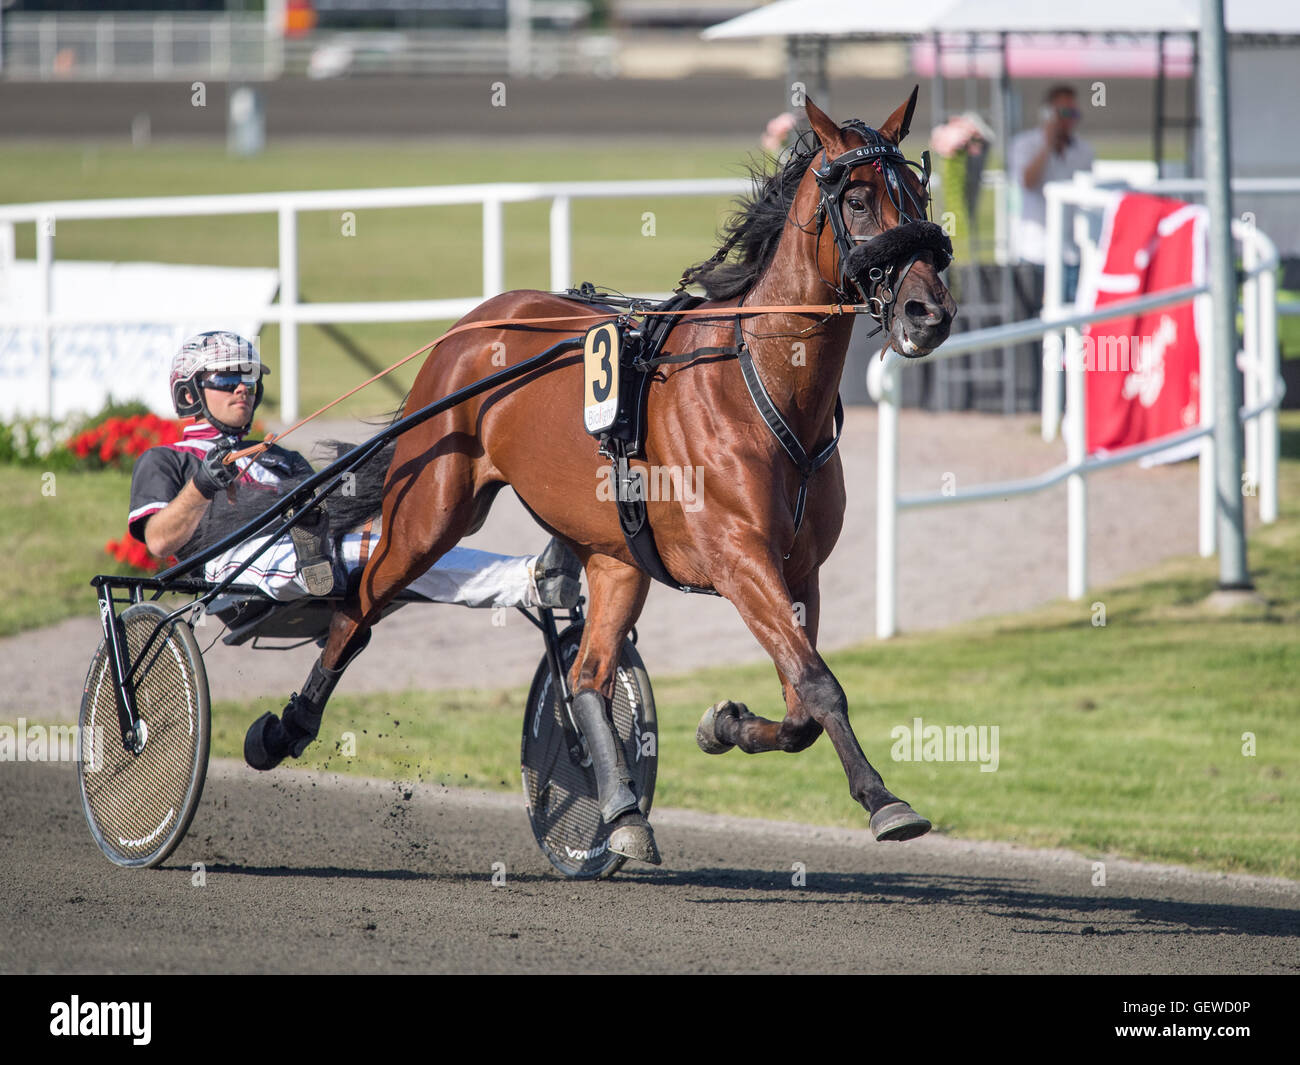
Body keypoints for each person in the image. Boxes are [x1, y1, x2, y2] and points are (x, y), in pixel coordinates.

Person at [128, 331, 583, 767]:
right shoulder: (167, 460)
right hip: (231, 568)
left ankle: (531, 579)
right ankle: (310, 562)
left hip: (321, 548)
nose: (242, 389)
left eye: (249, 378)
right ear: (190, 393)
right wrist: (203, 484)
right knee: (289, 549)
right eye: (227, 379)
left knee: (405, 556)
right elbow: (159, 540)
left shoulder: (280, 456)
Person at [1008, 85, 1096, 304]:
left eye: (1073, 113)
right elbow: (1027, 182)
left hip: (1071, 252)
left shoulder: (1084, 150)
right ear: (1048, 113)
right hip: (1035, 251)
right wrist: (1048, 145)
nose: (1069, 120)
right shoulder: (1024, 144)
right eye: (1063, 112)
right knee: (1032, 319)